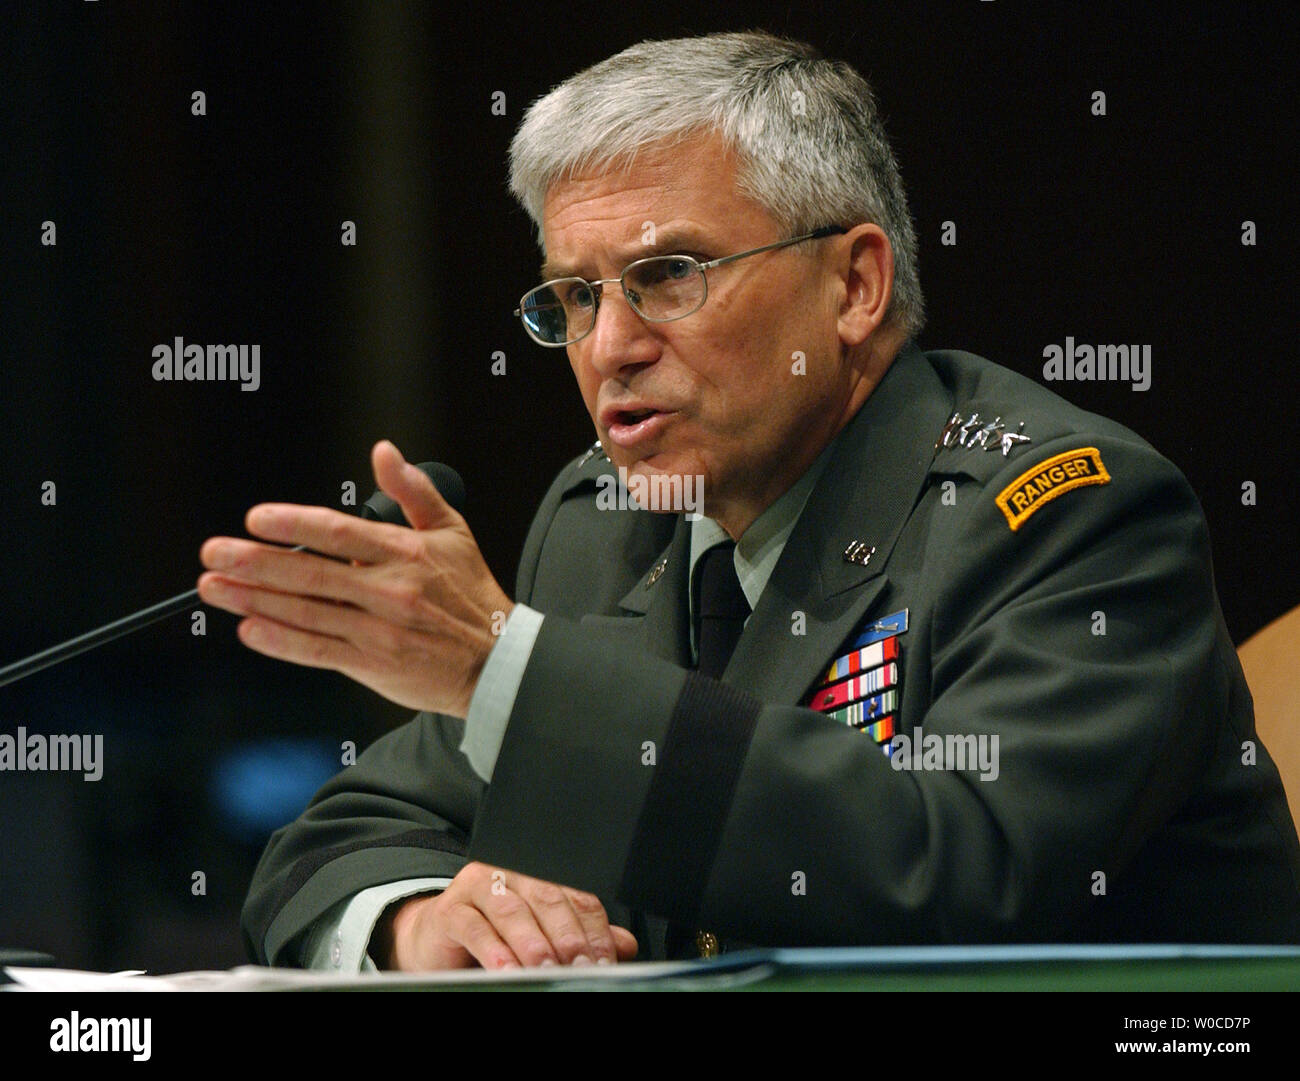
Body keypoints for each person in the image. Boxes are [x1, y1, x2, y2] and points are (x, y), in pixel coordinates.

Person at [200, 31, 1300, 971]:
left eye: (669, 275)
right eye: (573, 299)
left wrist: (504, 671)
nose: (611, 348)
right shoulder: (603, 523)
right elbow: (349, 829)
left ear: (854, 285)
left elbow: (961, 870)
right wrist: (417, 920)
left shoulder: (1065, 514)